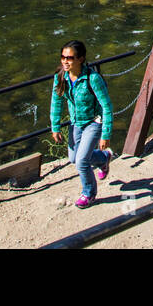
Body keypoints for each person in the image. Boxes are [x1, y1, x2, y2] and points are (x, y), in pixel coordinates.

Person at [50, 40, 114, 208]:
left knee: (81, 161)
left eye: (69, 58)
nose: (65, 61)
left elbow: (107, 107)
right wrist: (55, 127)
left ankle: (89, 193)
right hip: (76, 123)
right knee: (74, 158)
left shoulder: (93, 79)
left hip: (94, 122)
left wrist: (105, 135)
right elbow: (56, 103)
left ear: (80, 59)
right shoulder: (60, 78)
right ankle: (103, 159)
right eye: (63, 57)